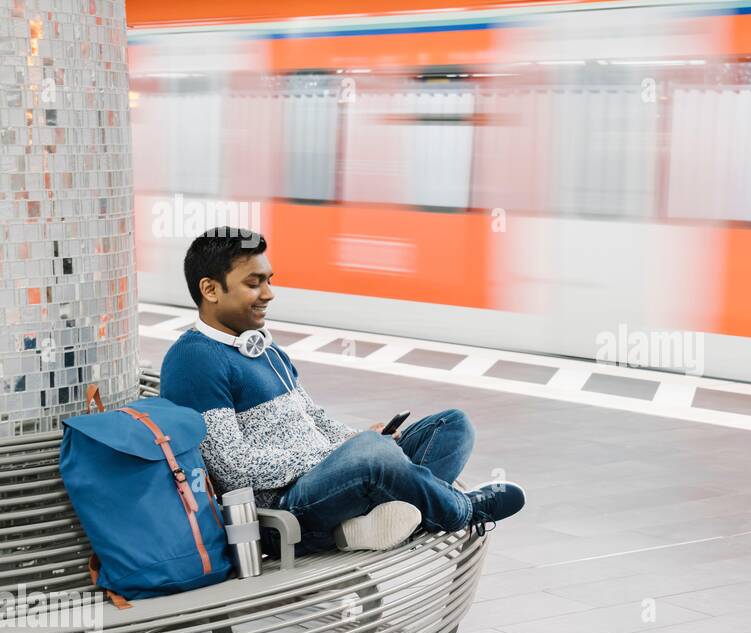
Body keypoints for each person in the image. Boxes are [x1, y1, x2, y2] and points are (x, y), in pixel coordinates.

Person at [159, 227, 524, 553]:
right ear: (210, 289)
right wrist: (340, 453)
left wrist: (353, 438)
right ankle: (461, 510)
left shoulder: (263, 347)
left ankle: (381, 519)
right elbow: (233, 468)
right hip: (284, 511)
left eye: (269, 280)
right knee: (372, 455)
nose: (269, 293)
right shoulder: (193, 361)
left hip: (328, 482)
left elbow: (313, 418)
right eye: (254, 283)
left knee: (452, 426)